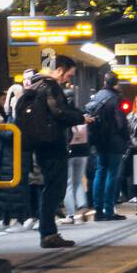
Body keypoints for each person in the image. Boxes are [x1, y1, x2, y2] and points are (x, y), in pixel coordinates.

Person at [17, 55, 85, 247]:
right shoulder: (50, 85)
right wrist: (81, 118)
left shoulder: (33, 85)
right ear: (60, 69)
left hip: (39, 144)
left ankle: (47, 231)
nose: (68, 79)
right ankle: (48, 233)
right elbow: (59, 112)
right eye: (68, 75)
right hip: (53, 143)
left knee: (50, 187)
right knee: (55, 188)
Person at [85, 73, 128, 221]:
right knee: (112, 174)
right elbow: (121, 123)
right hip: (113, 141)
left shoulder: (97, 96)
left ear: (104, 81)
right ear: (116, 83)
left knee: (100, 172)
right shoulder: (116, 99)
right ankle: (109, 210)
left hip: (98, 141)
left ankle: (98, 211)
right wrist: (125, 138)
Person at [63, 86, 91, 224]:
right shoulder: (79, 113)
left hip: (69, 151)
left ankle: (70, 214)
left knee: (68, 183)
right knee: (78, 181)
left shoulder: (63, 114)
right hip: (83, 151)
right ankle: (82, 205)